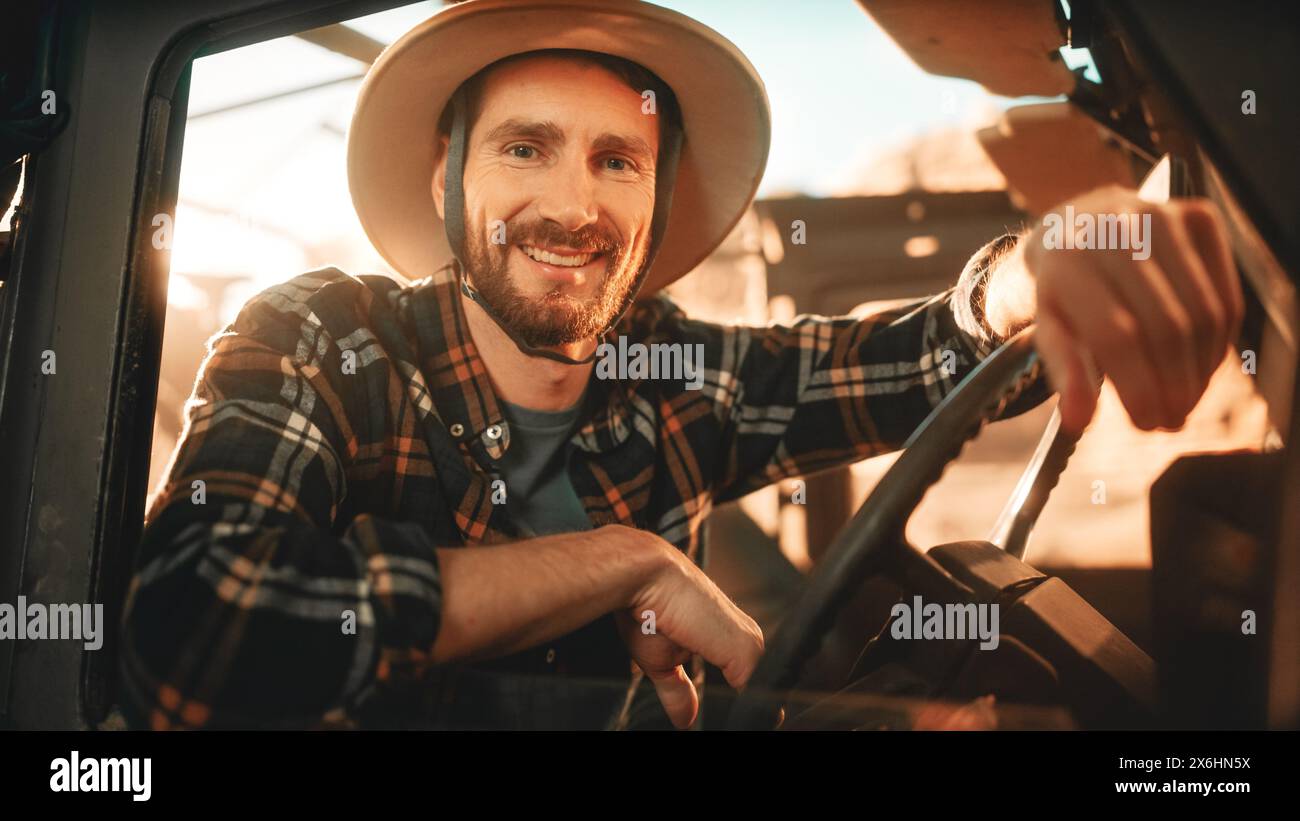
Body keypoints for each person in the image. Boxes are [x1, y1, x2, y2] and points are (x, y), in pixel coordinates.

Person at [120, 0, 1241, 730]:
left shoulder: (674, 376)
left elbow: (922, 355)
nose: (572, 206)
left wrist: (1038, 268)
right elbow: (194, 623)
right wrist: (619, 561)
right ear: (444, 177)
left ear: (655, 203)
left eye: (618, 160)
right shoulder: (323, 337)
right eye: (525, 147)